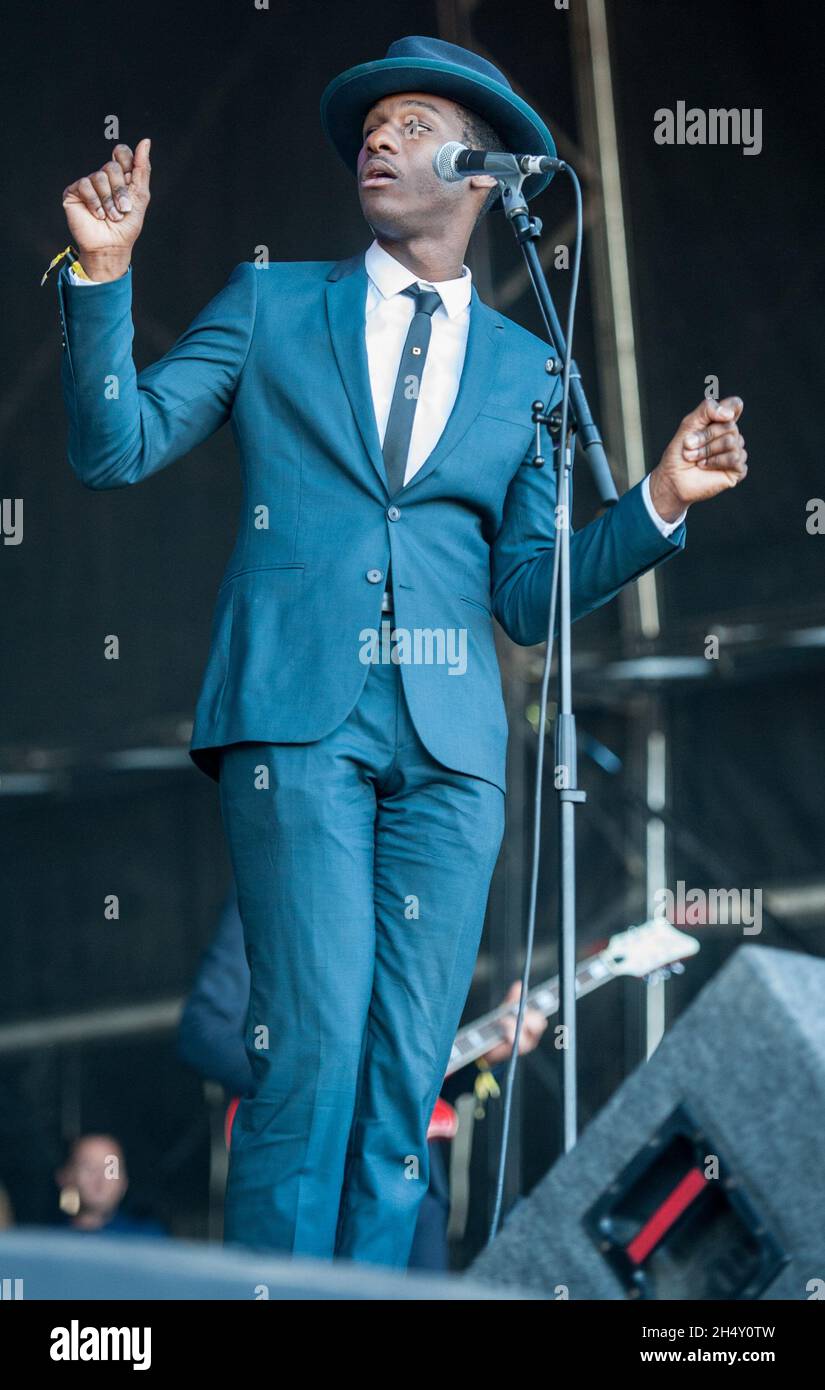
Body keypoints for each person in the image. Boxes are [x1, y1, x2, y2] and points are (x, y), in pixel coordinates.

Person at [51, 35, 747, 1269]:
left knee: (402, 1093)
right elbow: (119, 445)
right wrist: (102, 277)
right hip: (298, 720)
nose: (379, 137)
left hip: (451, 752)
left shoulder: (531, 368)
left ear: (482, 172)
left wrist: (657, 504)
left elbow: (528, 597)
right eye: (369, 124)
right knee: (308, 1055)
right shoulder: (273, 305)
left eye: (414, 122)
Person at [178, 885, 547, 1271]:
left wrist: (485, 1058)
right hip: (305, 1172)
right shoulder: (278, 888)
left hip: (409, 1191)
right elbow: (203, 1032)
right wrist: (323, 1088)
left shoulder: (419, 894)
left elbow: (412, 1073)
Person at [53, 1134, 167, 1238]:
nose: (100, 1179)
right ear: (65, 1178)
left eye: (111, 1169)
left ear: (124, 1182)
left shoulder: (149, 1241)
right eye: (89, 1168)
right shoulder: (50, 1241)